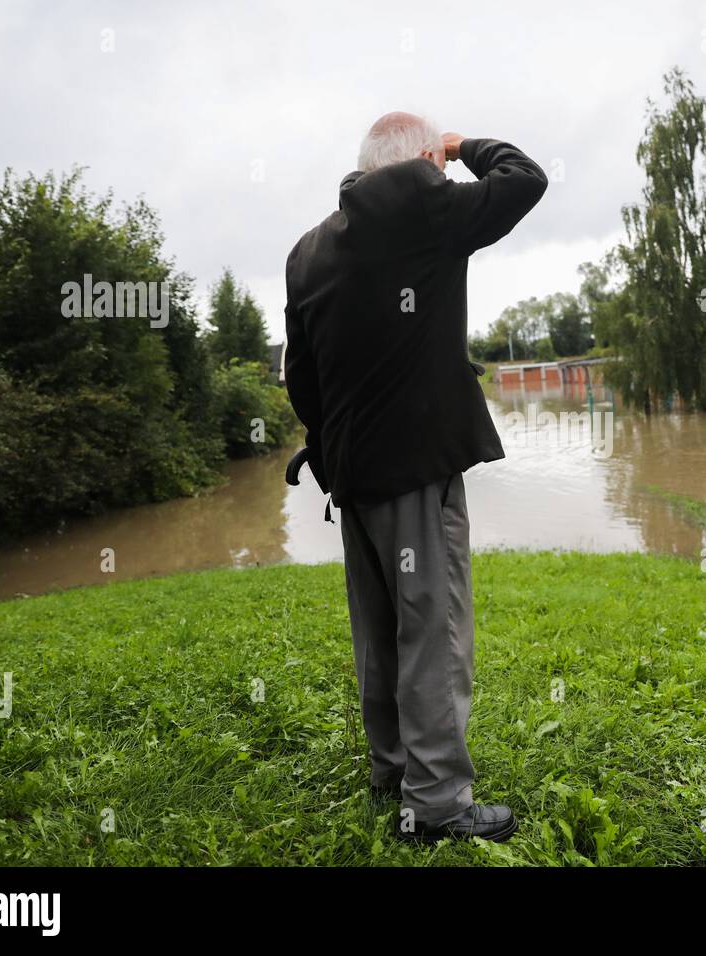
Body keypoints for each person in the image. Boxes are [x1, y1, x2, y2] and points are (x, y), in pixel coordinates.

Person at [283, 112, 547, 843]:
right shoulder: (428, 206)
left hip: (352, 477)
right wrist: (464, 149)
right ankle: (435, 806)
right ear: (424, 161)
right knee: (433, 631)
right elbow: (525, 178)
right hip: (416, 475)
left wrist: (334, 447)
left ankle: (391, 766)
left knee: (379, 630)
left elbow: (300, 378)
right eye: (436, 159)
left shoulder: (307, 252)